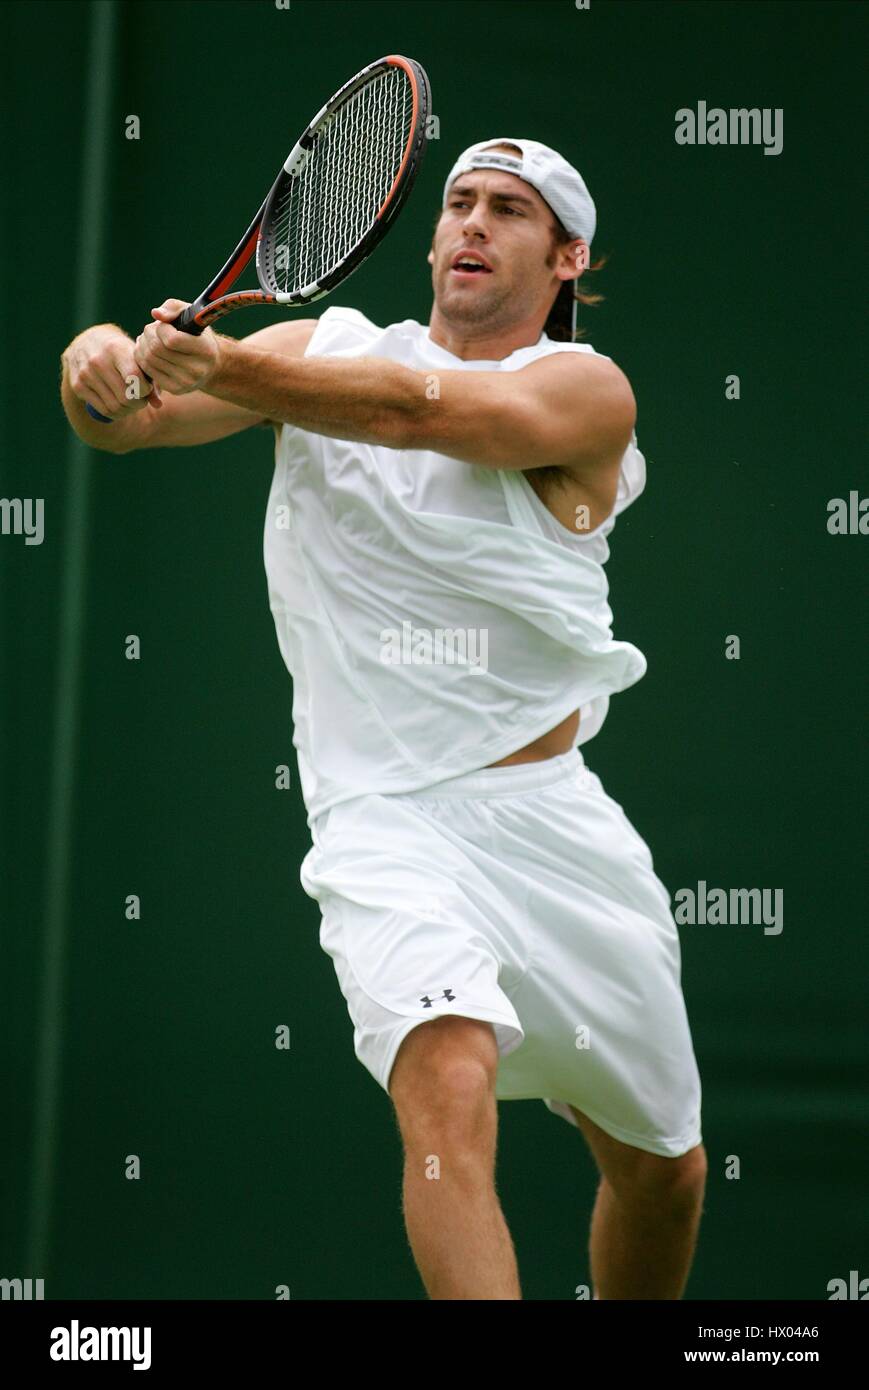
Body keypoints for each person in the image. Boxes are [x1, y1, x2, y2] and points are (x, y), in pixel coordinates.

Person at [61, 138, 706, 1300]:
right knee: (442, 1084)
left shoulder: (583, 392)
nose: (471, 223)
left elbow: (414, 417)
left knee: (662, 1172)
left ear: (565, 258)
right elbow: (129, 423)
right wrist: (97, 364)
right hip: (381, 819)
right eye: (457, 201)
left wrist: (220, 371)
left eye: (508, 211)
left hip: (550, 823)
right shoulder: (321, 346)